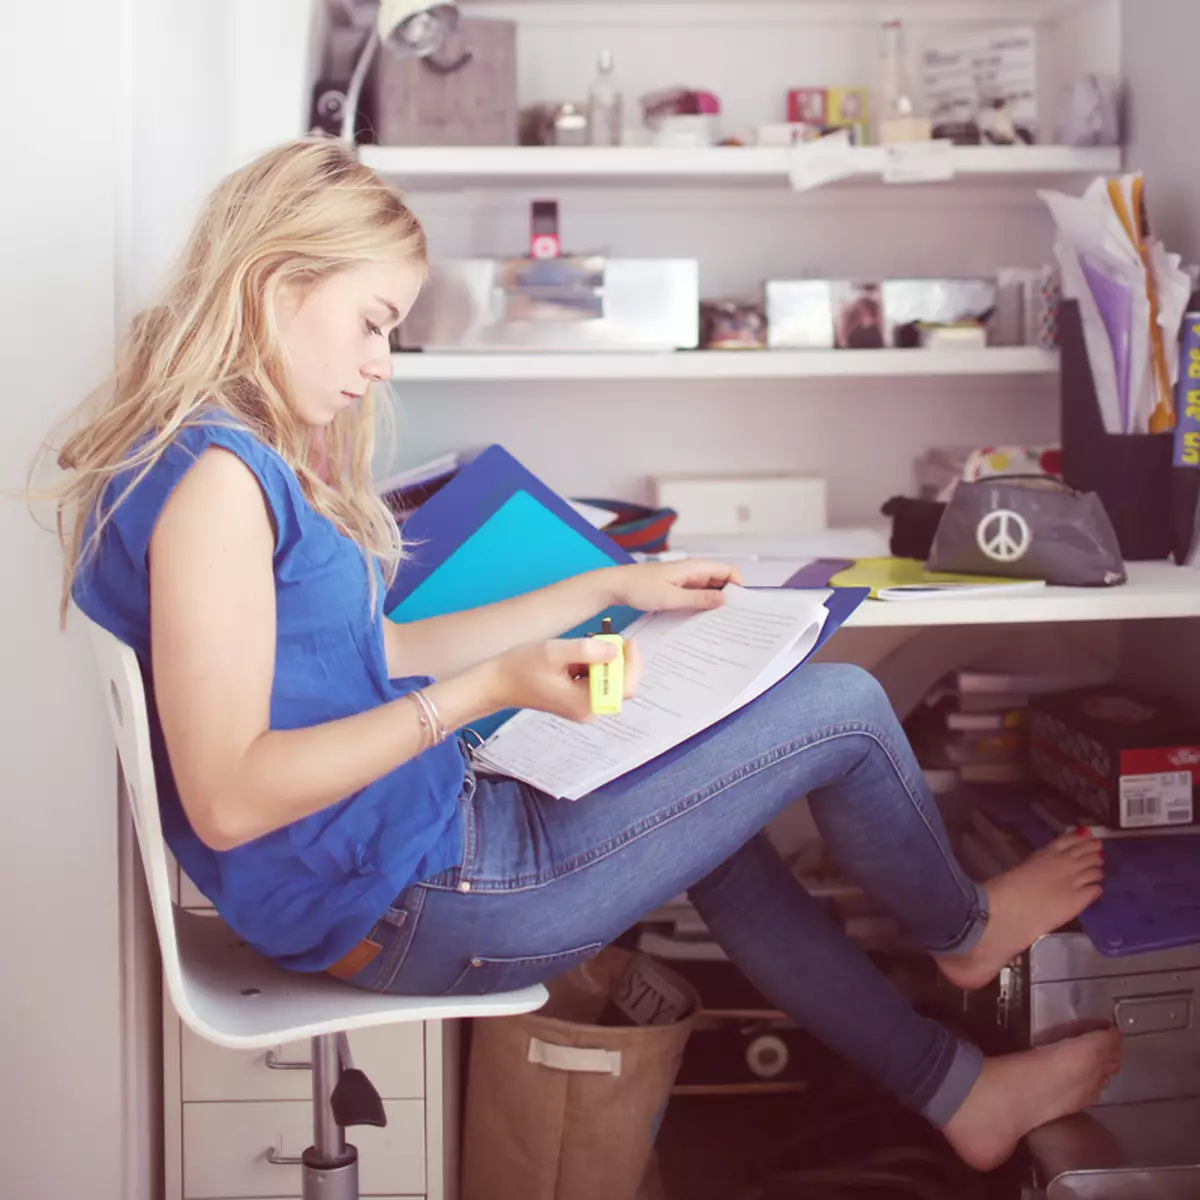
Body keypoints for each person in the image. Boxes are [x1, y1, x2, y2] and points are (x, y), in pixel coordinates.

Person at [42, 138, 1119, 1174]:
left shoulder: (209, 460)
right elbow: (230, 799)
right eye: (373, 323)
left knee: (725, 835)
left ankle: (961, 1096)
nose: (379, 365)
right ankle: (966, 934)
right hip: (425, 895)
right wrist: (484, 693)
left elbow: (383, 648)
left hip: (409, 863)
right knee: (838, 704)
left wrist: (606, 589)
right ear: (278, 285)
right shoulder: (218, 484)